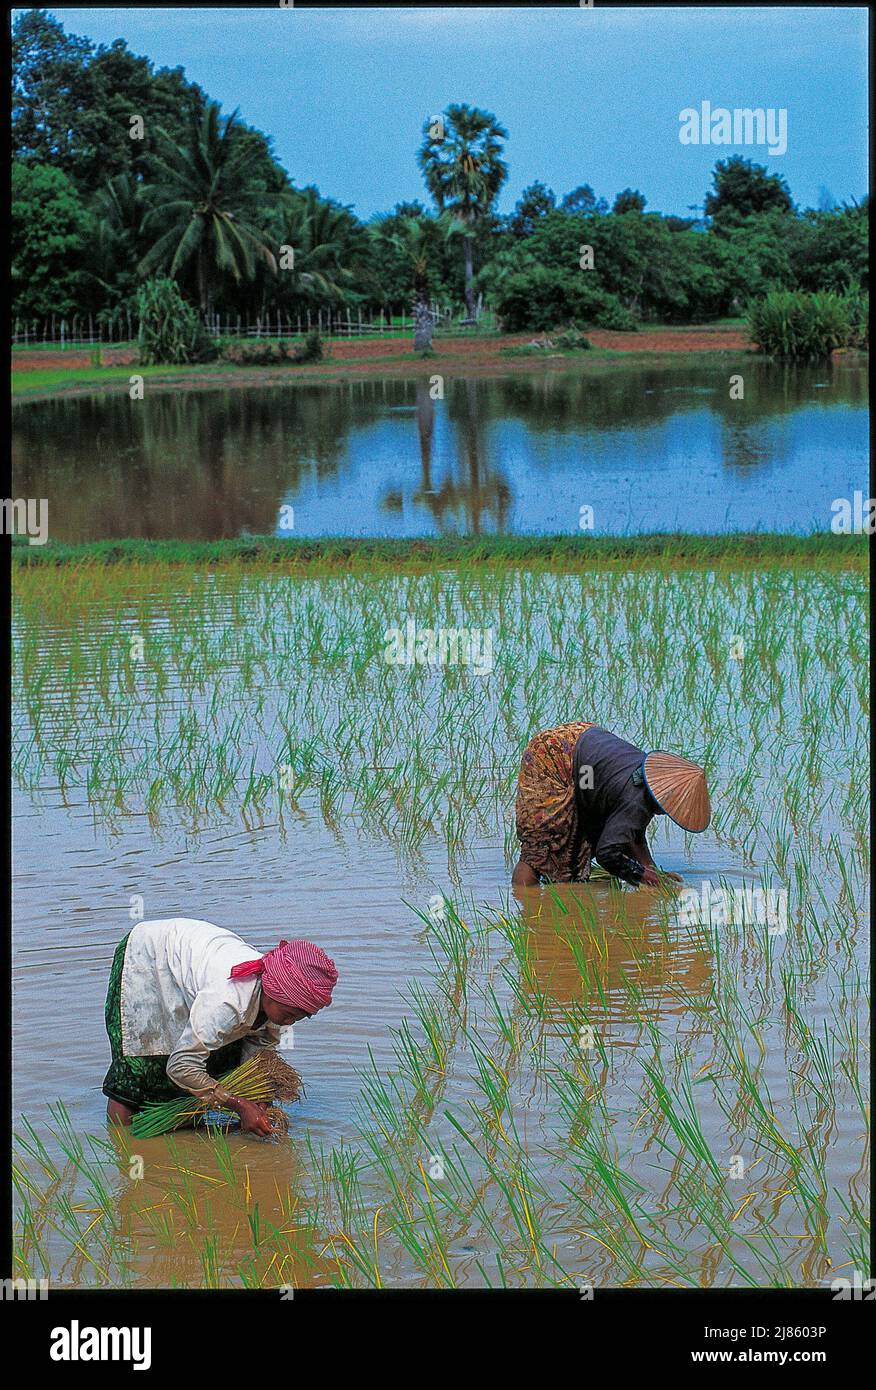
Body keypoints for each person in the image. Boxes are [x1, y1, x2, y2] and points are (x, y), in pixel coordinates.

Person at [102, 919, 338, 1135]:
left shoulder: (276, 1005)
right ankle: (124, 1146)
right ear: (273, 992)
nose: (290, 1022)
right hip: (148, 959)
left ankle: (178, 1136)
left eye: (300, 1017)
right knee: (141, 1066)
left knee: (219, 1060)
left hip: (191, 961)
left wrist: (259, 1098)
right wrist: (239, 1105)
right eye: (290, 1014)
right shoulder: (226, 1002)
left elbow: (256, 1054)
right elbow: (180, 1066)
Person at [512, 720, 710, 888]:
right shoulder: (636, 800)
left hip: (583, 756)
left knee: (580, 831)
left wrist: (651, 869)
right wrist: (644, 878)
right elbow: (607, 854)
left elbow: (633, 832)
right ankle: (524, 901)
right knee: (540, 845)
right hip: (553, 757)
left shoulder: (645, 782)